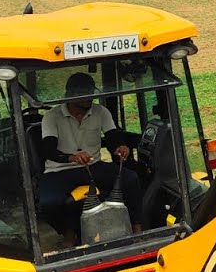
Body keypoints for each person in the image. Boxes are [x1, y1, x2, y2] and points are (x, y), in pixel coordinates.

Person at [39, 72, 143, 242]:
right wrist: (71, 157)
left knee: (131, 179)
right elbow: (48, 150)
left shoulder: (101, 112)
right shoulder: (52, 116)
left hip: (93, 166)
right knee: (48, 203)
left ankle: (137, 227)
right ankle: (67, 232)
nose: (90, 98)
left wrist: (120, 147)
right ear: (71, 95)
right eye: (85, 95)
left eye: (91, 94)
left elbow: (112, 136)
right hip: (59, 170)